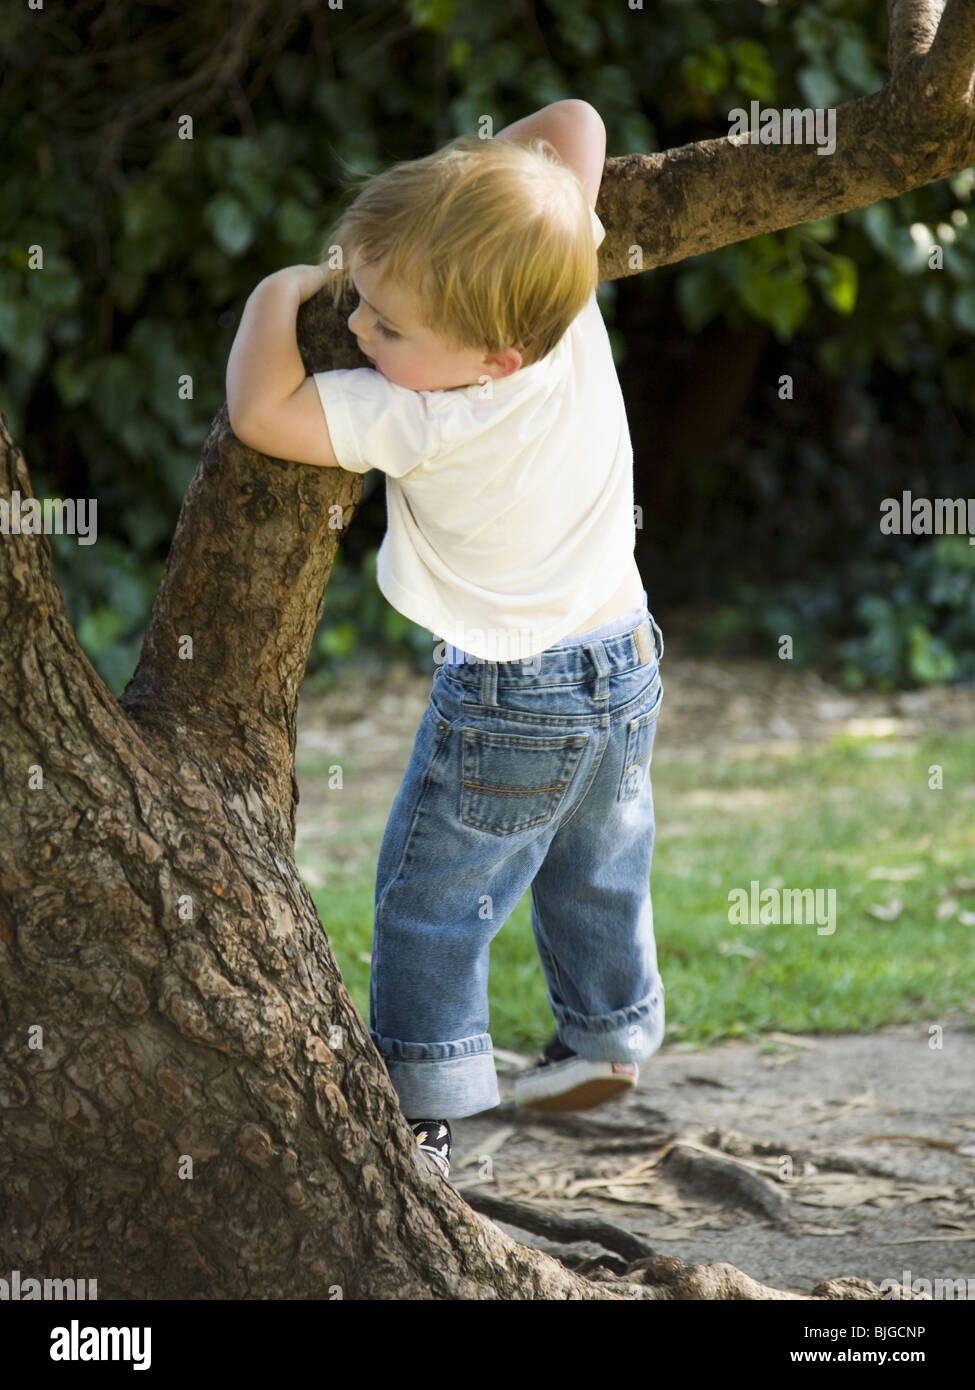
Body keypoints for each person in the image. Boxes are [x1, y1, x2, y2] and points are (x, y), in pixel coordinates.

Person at [226, 101, 666, 1183]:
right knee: (599, 861)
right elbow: (576, 130)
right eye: (361, 305)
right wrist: (469, 201)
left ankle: (423, 1100)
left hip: (510, 693)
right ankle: (608, 1034)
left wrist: (280, 294)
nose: (362, 333)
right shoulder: (569, 315)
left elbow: (259, 414)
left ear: (489, 354)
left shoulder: (413, 418)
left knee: (431, 895)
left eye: (388, 326)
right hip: (627, 657)